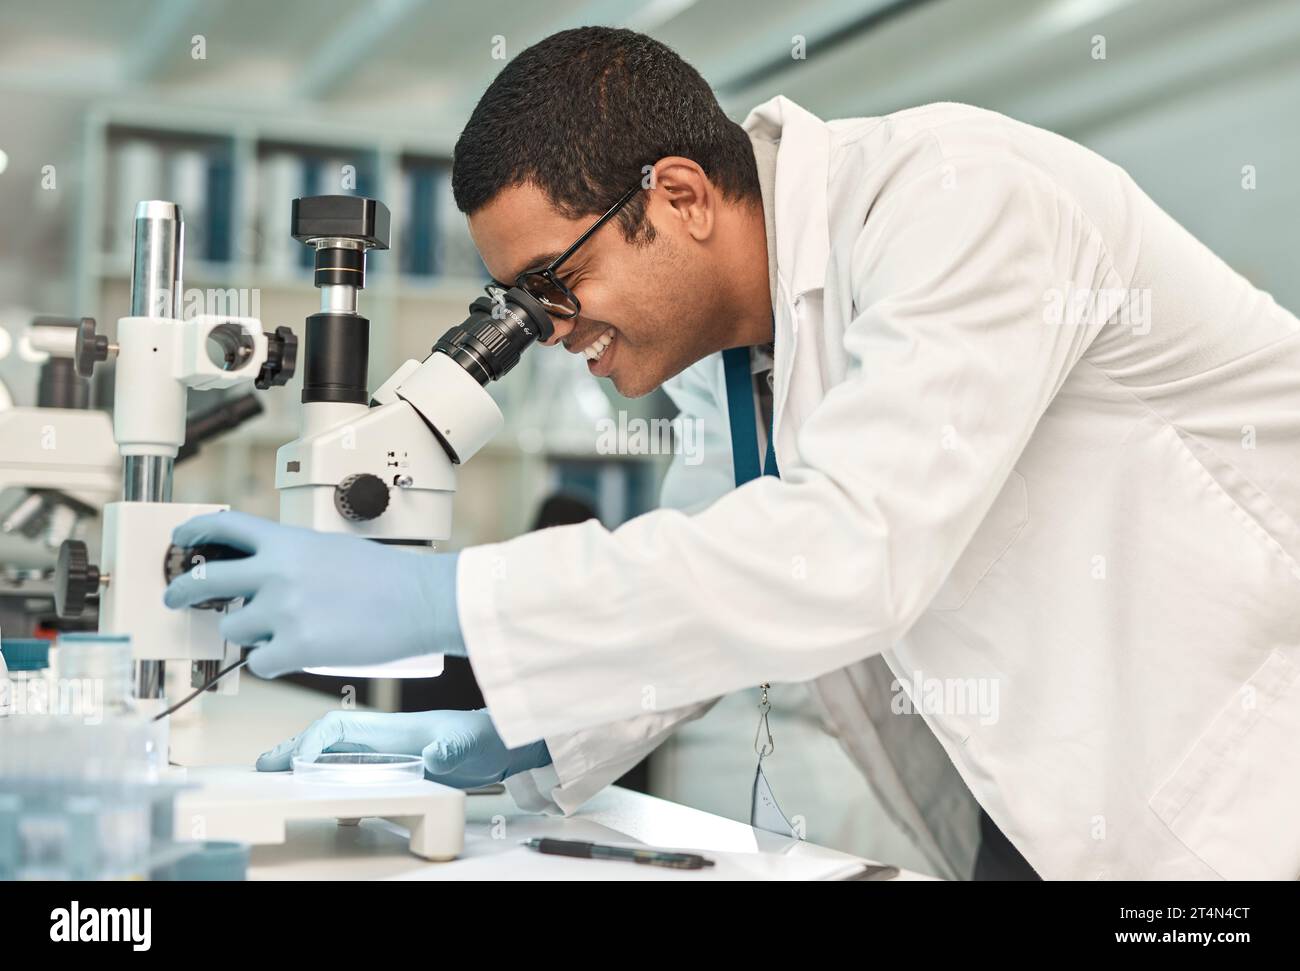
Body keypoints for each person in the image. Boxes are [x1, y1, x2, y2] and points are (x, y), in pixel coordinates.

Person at [165, 27, 1300, 880]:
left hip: (1228, 793)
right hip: (1040, 800)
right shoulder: (737, 361)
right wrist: (524, 731)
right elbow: (709, 584)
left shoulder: (961, 198)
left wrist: (449, 593)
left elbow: (851, 549)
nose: (551, 331)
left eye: (553, 285)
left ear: (679, 194)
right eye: (519, 302)